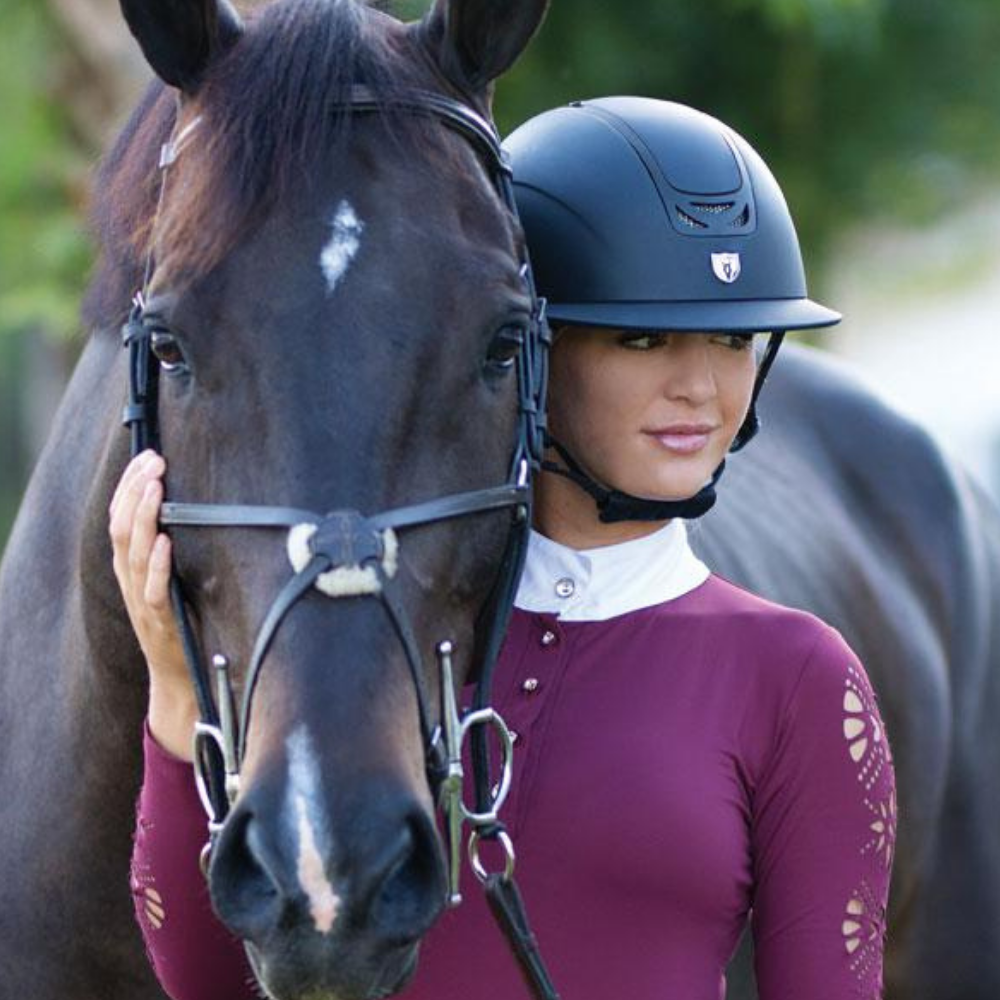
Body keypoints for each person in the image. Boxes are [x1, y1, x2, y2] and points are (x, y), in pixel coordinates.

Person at [111, 98, 896, 1000]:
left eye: (731, 339)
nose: (701, 388)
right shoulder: (373, 636)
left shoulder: (798, 676)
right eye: (642, 338)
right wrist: (174, 691)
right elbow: (210, 988)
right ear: (527, 350)